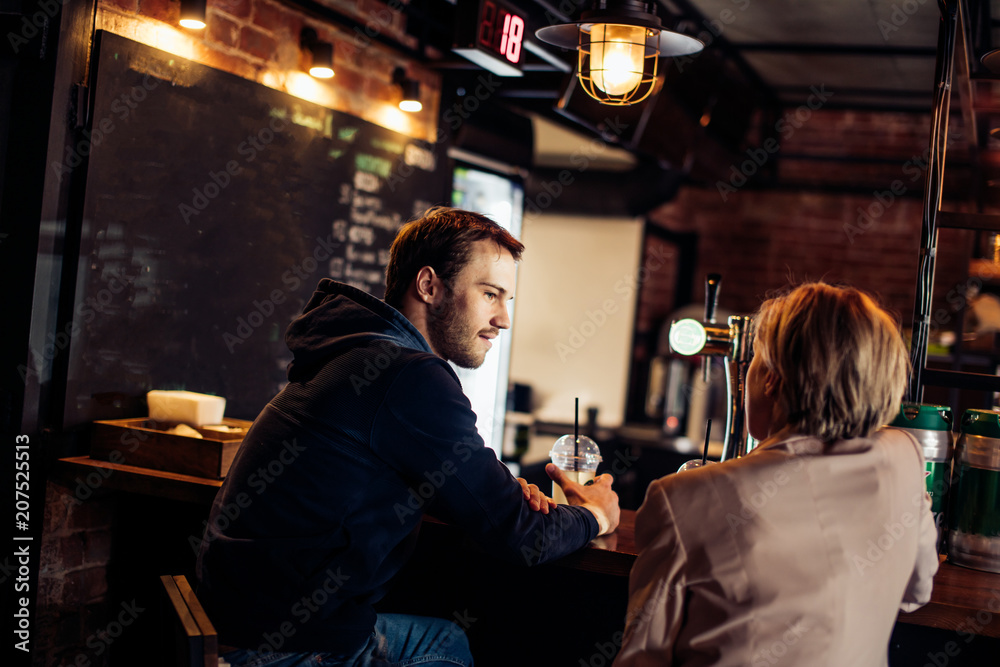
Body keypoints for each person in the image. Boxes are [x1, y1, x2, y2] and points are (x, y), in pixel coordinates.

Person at [197, 207, 620, 667]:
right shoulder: (409, 376)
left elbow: (430, 479)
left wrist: (496, 493)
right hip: (282, 648)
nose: (503, 319)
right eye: (490, 293)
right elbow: (522, 537)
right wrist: (595, 514)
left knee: (444, 638)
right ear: (429, 286)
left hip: (232, 624)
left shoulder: (355, 349)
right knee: (449, 648)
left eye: (506, 300)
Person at [614, 282, 939, 667]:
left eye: (752, 358)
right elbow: (917, 591)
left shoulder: (684, 498)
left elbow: (642, 659)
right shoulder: (903, 456)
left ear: (771, 376)